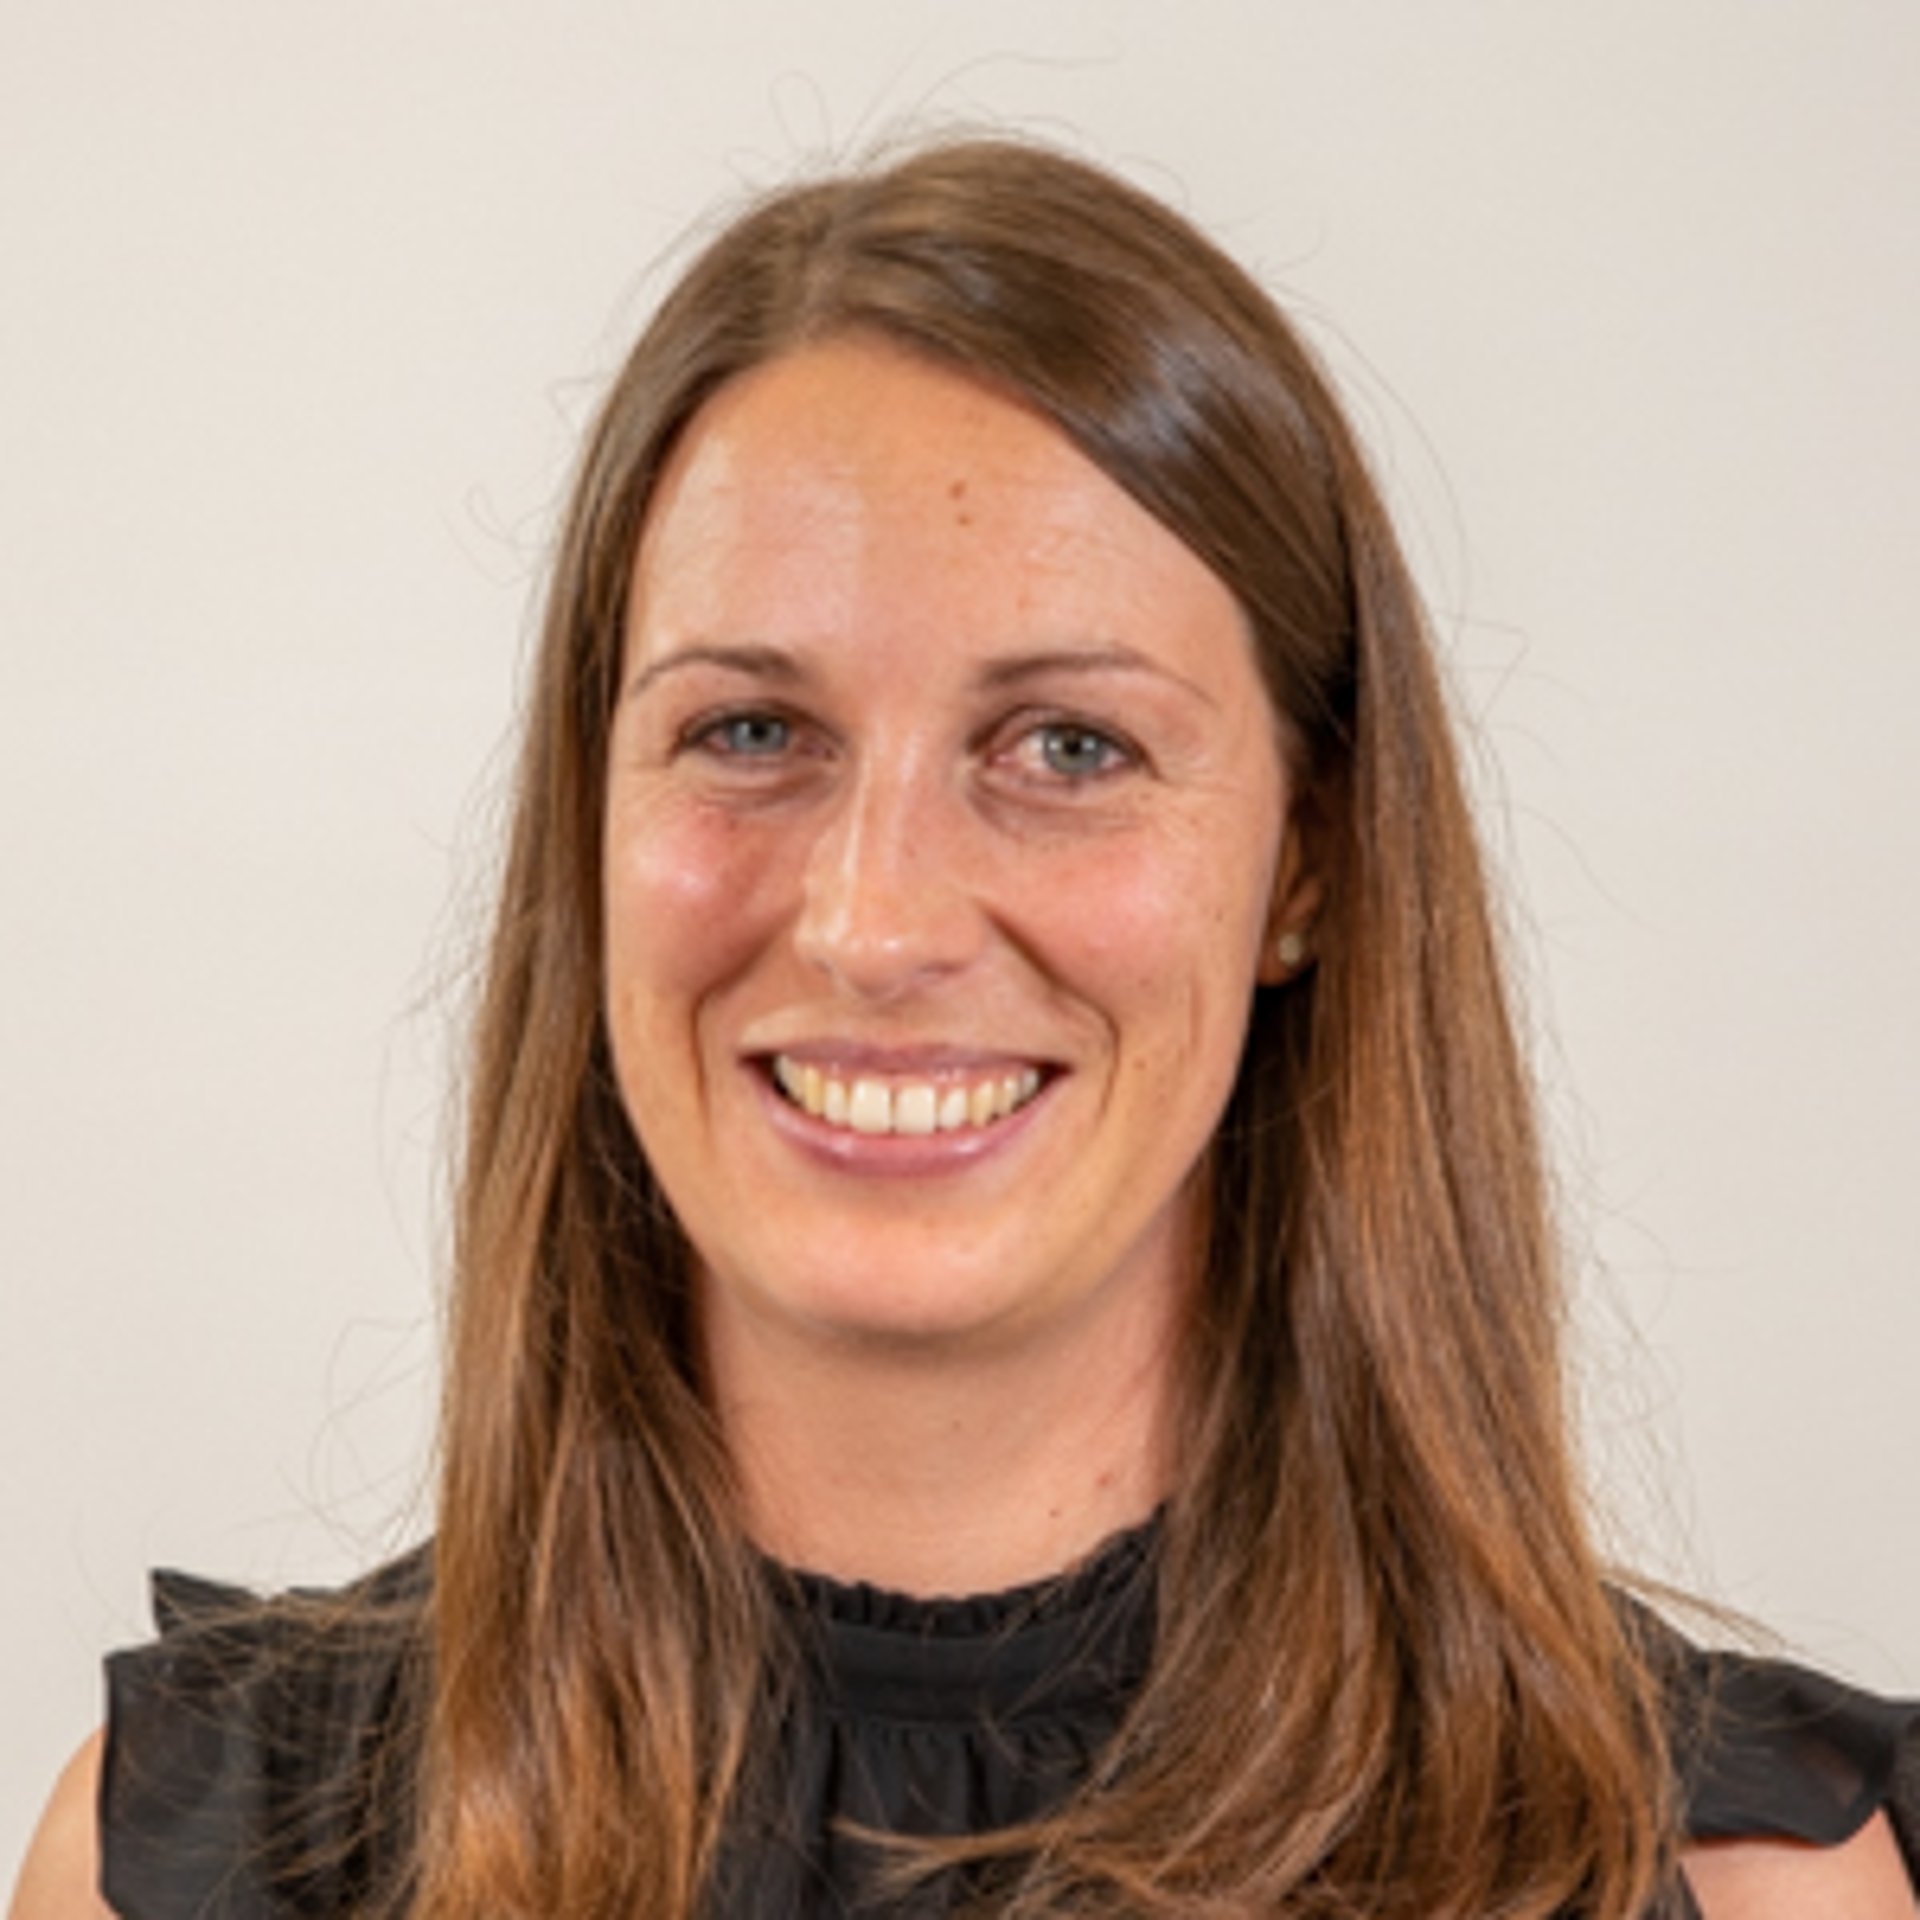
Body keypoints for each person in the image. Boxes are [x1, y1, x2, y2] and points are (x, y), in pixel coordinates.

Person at [11, 135, 1917, 1920]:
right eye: (750, 733)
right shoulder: (197, 1859)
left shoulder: (1739, 1879)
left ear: (1308, 864)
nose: (874, 920)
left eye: (1069, 747)